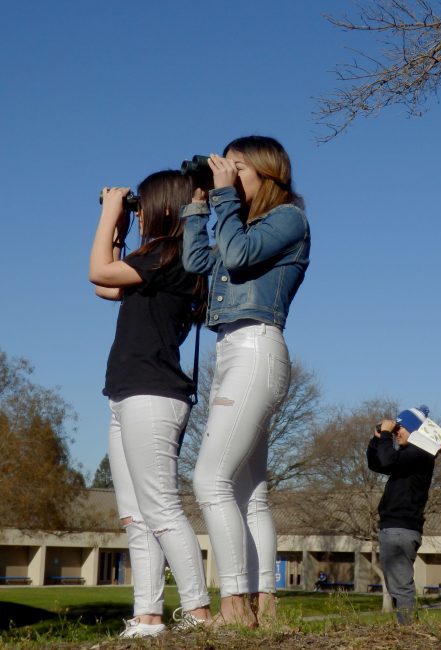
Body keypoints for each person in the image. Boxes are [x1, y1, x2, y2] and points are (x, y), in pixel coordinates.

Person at [182, 136, 310, 627]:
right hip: (234, 350)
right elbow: (199, 263)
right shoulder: (242, 225)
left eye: (236, 168)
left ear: (266, 172)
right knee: (248, 491)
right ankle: (264, 605)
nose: (228, 176)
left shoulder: (288, 219)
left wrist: (222, 200)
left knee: (209, 479)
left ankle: (234, 605)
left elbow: (236, 258)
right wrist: (199, 208)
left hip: (256, 347)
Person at [89, 172, 212, 637]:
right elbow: (106, 286)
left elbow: (99, 272)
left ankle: (199, 615)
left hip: (153, 396)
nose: (136, 213)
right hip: (127, 395)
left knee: (160, 509)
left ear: (163, 207)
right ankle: (148, 617)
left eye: (141, 207)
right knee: (135, 517)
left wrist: (109, 213)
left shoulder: (172, 254)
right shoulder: (154, 259)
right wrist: (116, 232)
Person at [367, 406, 435, 624]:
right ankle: (407, 626)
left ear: (415, 430)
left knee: (401, 586)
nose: (396, 433)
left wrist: (387, 434)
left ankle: (408, 630)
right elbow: (377, 463)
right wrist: (377, 439)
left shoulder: (421, 453)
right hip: (398, 528)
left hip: (400, 528)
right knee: (398, 586)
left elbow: (387, 460)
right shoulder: (410, 456)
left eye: (400, 428)